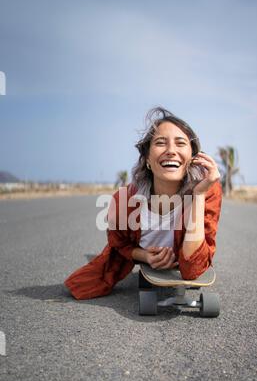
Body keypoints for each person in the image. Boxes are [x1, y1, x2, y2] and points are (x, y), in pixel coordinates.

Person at [64, 106, 222, 300]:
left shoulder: (207, 190)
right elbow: (118, 244)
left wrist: (198, 195)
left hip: (185, 258)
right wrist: (145, 256)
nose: (171, 151)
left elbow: (193, 267)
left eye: (180, 143)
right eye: (161, 143)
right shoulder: (125, 200)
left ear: (192, 158)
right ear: (147, 158)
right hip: (145, 257)